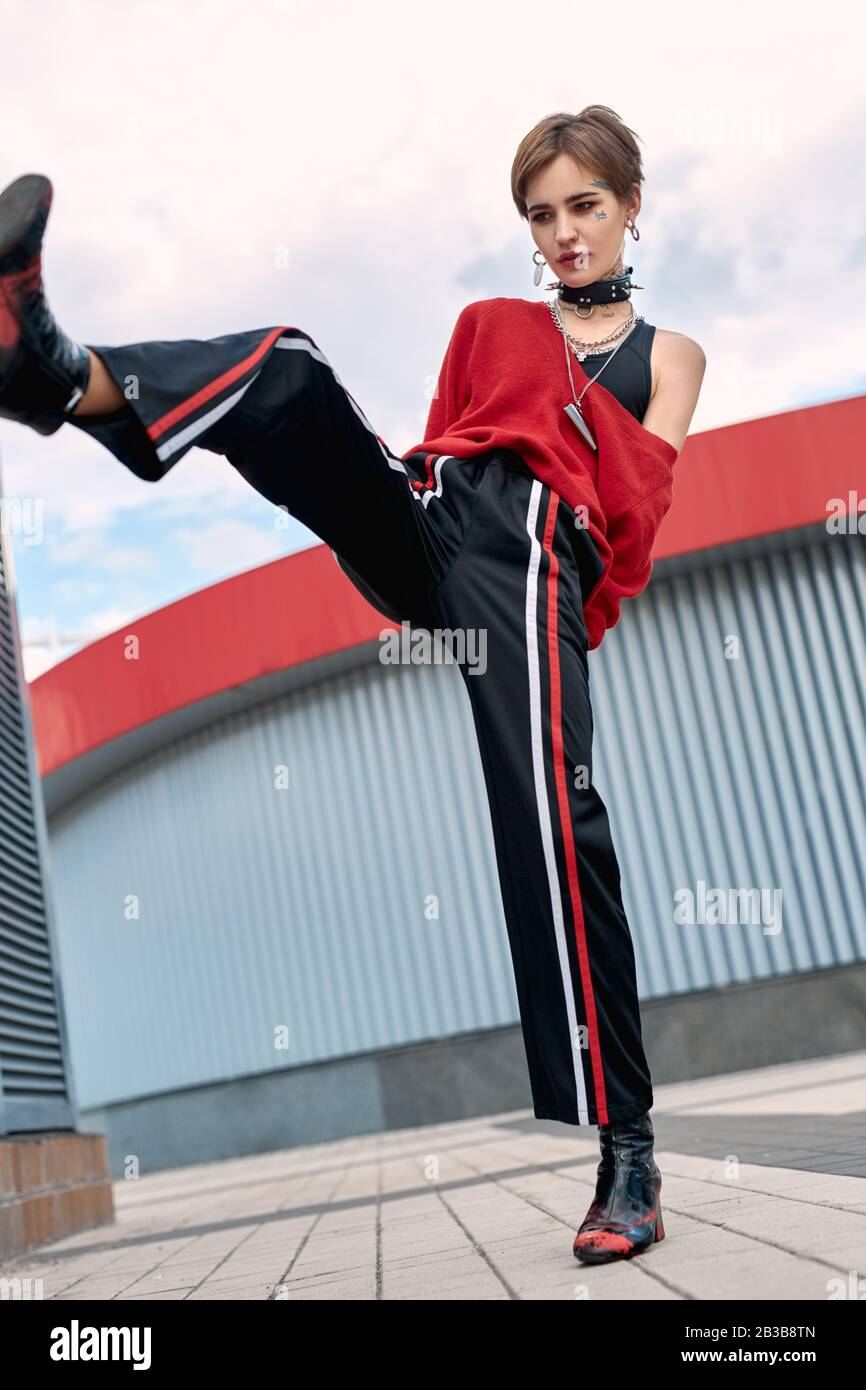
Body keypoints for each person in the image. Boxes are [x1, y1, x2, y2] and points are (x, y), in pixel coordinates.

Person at [0, 104, 705, 1265]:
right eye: (541, 215)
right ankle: (54, 375)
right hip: (442, 525)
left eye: (585, 207)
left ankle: (626, 1151)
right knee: (285, 370)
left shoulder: (664, 355)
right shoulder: (500, 323)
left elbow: (636, 504)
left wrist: (548, 421)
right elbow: (450, 436)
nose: (564, 235)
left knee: (555, 825)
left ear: (631, 206)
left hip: (537, 557)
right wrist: (495, 422)